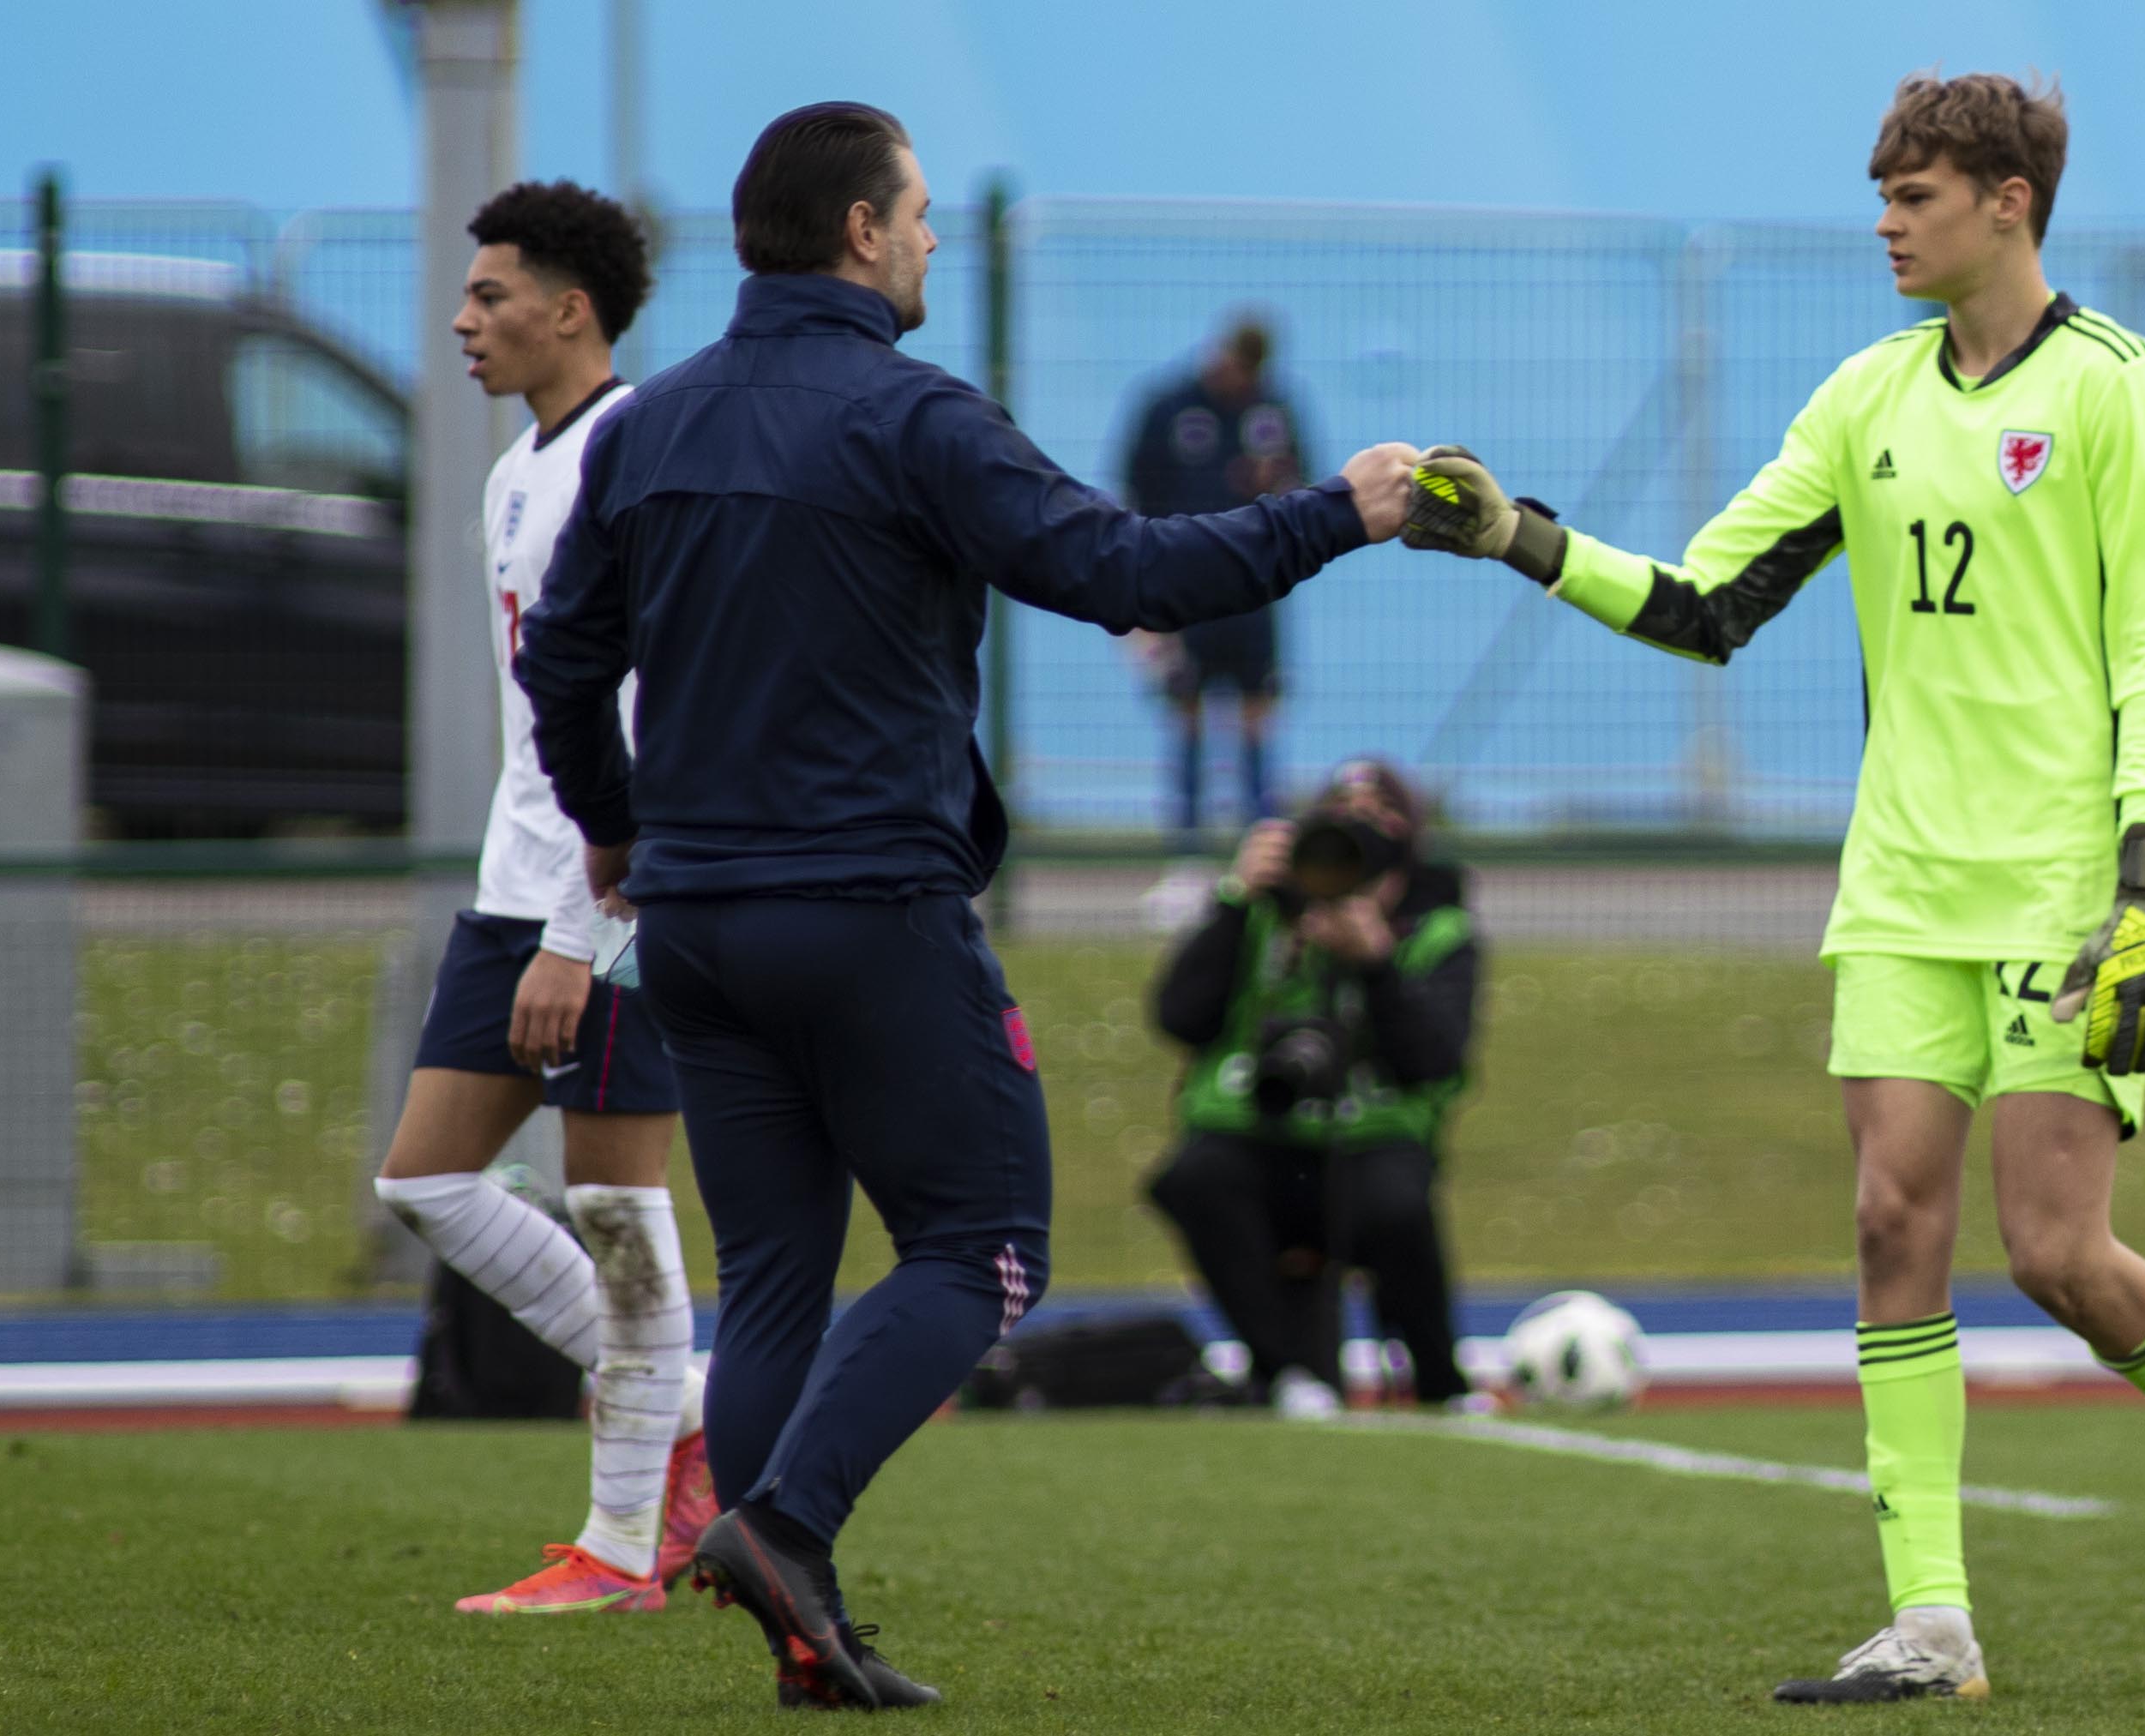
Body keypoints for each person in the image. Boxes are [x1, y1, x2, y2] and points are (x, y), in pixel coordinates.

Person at [1401, 72, 2145, 1703]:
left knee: (2055, 1252)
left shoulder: (2120, 390)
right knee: (1890, 1220)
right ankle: (1934, 1625)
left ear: (2009, 203)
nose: (1887, 223)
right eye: (1884, 196)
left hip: (2066, 901)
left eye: (1914, 196)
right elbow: (1706, 602)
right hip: (1902, 889)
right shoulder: (1865, 399)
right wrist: (1517, 541)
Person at [516, 101, 1417, 1710]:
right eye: (916, 211)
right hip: (867, 908)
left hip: (699, 929)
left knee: (781, 1274)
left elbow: (561, 659)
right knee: (986, 1248)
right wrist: (1336, 512)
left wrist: (612, 827)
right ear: (861, 232)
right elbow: (1126, 572)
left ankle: (803, 1621)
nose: (932, 234)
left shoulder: (646, 429)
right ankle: (783, 1524)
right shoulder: (915, 418)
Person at [371, 179, 715, 1617]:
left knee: (618, 1212)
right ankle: (685, 1414)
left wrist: (587, 927)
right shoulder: (519, 470)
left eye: (491, 295)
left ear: (570, 310)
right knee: (426, 1181)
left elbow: (643, 712)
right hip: (515, 887)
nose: (463, 321)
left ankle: (624, 1548)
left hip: (608, 901)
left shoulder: (630, 459)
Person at [1144, 758, 1480, 1417]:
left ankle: (1440, 1379)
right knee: (1193, 1177)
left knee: (1397, 1206)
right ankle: (1286, 1371)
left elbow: (1433, 1060)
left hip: (1373, 1140)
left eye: (1377, 829)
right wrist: (1237, 899)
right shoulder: (1260, 913)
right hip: (1256, 1131)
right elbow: (1180, 1017)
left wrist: (1376, 962)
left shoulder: (1439, 930)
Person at [1120, 317, 1310, 861]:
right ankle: (1187, 857)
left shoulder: (1273, 409)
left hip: (1254, 597)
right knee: (1187, 719)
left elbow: (1306, 490)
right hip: (1182, 592)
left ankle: (1266, 855)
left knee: (1257, 721)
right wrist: (1142, 604)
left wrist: (1274, 482)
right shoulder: (1168, 407)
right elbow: (1133, 495)